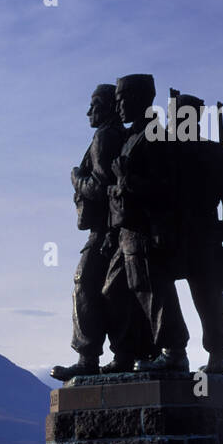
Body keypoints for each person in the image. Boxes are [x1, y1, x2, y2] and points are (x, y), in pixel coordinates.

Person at [50, 85, 144, 379]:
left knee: (85, 283)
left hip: (106, 231)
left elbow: (101, 188)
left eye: (95, 105)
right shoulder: (118, 135)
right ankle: (121, 354)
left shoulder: (104, 137)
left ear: (108, 108)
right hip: (115, 230)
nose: (89, 112)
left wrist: (76, 179)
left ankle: (88, 357)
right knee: (115, 292)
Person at [102, 73, 191, 373]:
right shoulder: (129, 137)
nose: (119, 106)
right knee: (113, 291)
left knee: (153, 288)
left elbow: (168, 186)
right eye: (116, 100)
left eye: (123, 99)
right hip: (125, 229)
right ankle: (127, 352)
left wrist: (128, 182)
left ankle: (174, 350)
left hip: (146, 228)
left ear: (141, 99)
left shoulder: (155, 135)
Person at [170, 93, 223, 374]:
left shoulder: (214, 154)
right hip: (171, 235)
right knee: (162, 293)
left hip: (201, 236)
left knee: (208, 297)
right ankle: (172, 350)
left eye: (176, 116)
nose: (171, 121)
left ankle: (216, 355)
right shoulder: (165, 152)